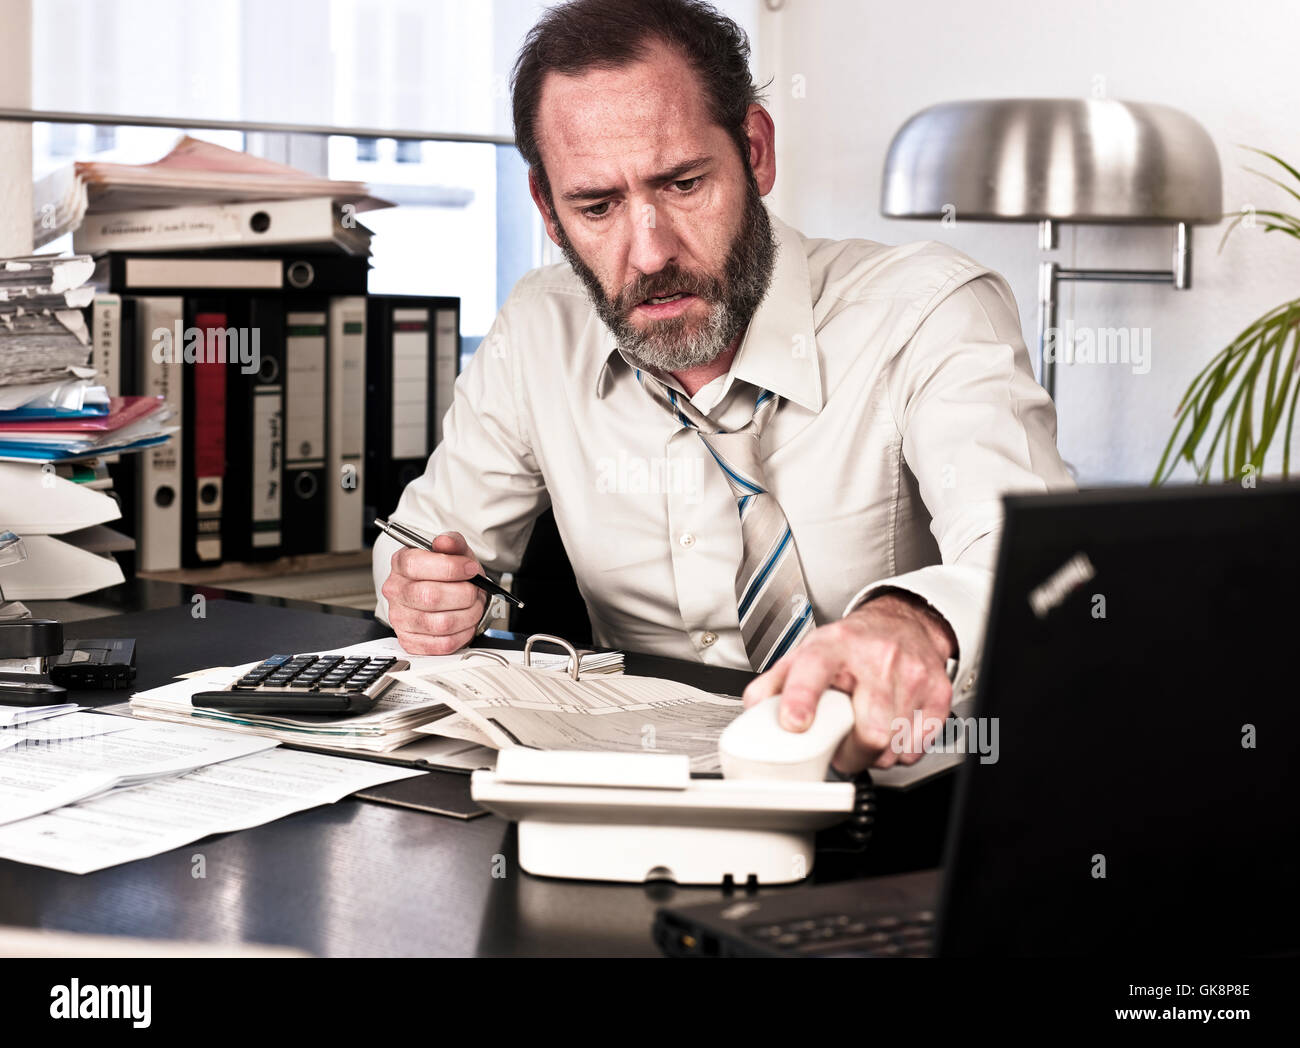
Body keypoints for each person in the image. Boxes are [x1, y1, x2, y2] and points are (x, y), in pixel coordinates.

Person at [373, 0, 1074, 773]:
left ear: (756, 150)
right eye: (597, 206)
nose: (648, 253)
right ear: (547, 208)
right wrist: (421, 593)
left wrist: (914, 621)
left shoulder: (929, 311)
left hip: (911, 798)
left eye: (681, 184)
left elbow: (1041, 565)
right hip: (636, 794)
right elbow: (416, 547)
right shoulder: (542, 328)